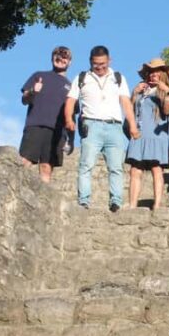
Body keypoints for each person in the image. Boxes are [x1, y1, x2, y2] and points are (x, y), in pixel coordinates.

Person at [64, 45, 139, 212]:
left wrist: (132, 125)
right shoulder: (82, 77)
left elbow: (125, 102)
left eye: (103, 64)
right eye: (96, 64)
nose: (99, 67)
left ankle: (116, 201)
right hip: (91, 126)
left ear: (109, 60)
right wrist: (69, 119)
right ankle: (83, 201)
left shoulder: (118, 77)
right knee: (86, 165)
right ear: (90, 61)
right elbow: (70, 100)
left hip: (114, 127)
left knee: (116, 167)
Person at [18, 46, 74, 183]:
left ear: (70, 62)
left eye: (65, 57)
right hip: (35, 125)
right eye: (57, 56)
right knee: (24, 162)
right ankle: (14, 191)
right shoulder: (39, 75)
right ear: (52, 58)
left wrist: (71, 139)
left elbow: (72, 116)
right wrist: (33, 91)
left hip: (57, 132)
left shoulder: (72, 87)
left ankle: (43, 196)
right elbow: (24, 100)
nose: (60, 59)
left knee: (46, 167)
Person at [125, 59, 169, 209]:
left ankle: (157, 204)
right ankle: (132, 205)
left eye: (156, 71)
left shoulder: (166, 91)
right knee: (135, 170)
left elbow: (167, 111)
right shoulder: (142, 91)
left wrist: (167, 91)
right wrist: (134, 93)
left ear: (162, 74)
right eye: (150, 72)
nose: (152, 74)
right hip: (139, 135)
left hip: (156, 136)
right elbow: (130, 111)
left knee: (156, 169)